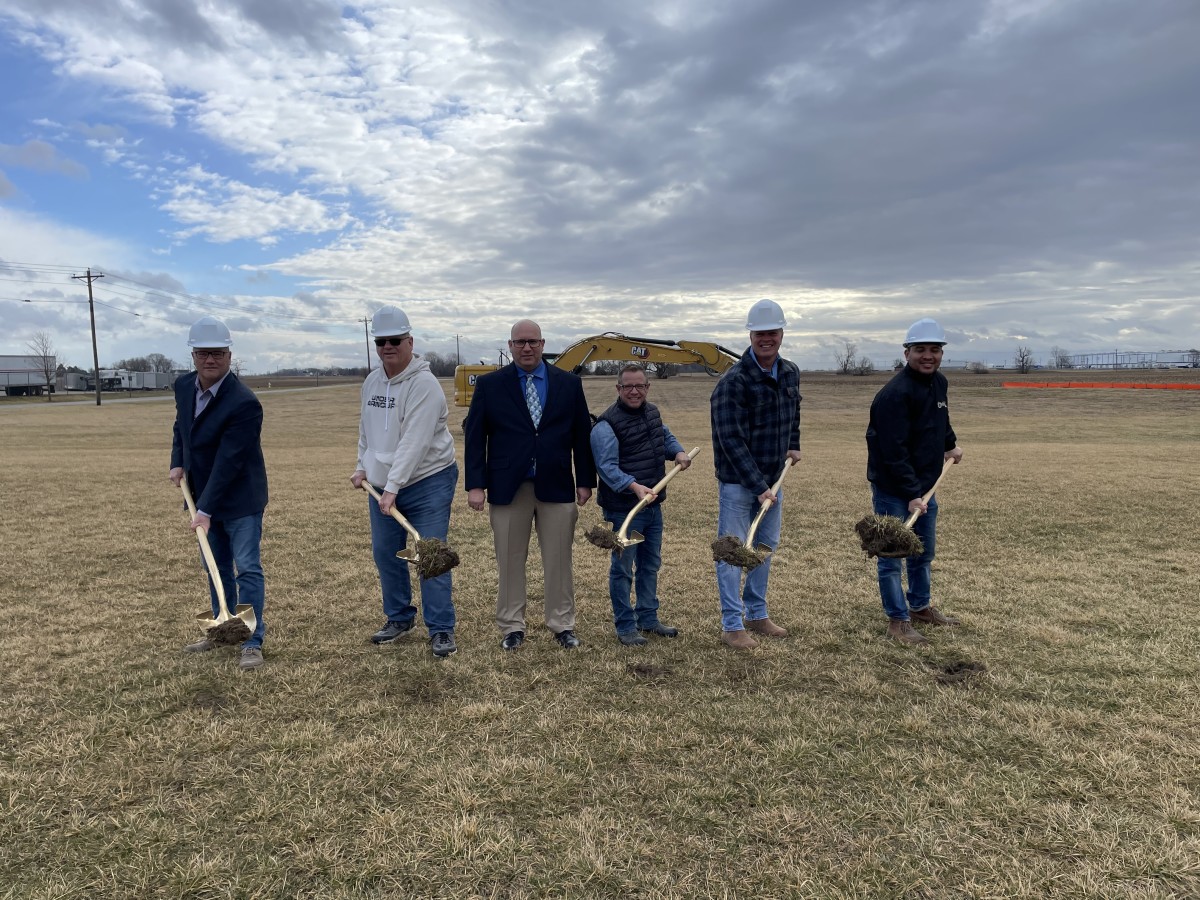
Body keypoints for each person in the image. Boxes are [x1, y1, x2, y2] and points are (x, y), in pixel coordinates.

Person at [464, 319, 596, 651]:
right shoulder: (490, 385)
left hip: (557, 484)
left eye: (533, 342)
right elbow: (476, 437)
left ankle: (562, 624)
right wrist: (475, 485)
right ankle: (512, 626)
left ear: (543, 344)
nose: (526, 347)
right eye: (520, 342)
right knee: (509, 559)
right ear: (510, 346)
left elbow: (581, 436)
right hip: (508, 487)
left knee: (559, 560)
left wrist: (585, 481)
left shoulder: (568, 383)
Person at [351, 305, 460, 658]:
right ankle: (399, 618)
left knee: (430, 553)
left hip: (428, 480)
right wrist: (362, 467)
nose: (387, 347)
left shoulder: (424, 385)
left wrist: (393, 487)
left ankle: (441, 629)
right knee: (386, 553)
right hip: (383, 484)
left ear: (410, 341)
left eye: (395, 340)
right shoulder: (371, 381)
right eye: (381, 341)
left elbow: (415, 442)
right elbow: (366, 430)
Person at [169, 315, 268, 670]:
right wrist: (177, 461)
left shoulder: (244, 402)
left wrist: (206, 510)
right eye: (203, 353)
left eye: (218, 353)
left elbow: (230, 462)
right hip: (202, 497)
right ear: (193, 355)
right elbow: (181, 426)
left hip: (239, 498)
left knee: (247, 569)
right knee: (216, 567)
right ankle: (221, 629)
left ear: (229, 355)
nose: (211, 360)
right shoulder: (183, 386)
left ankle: (252, 641)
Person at [710, 299, 802, 650]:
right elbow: (730, 440)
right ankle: (732, 625)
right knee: (733, 551)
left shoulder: (790, 372)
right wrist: (759, 487)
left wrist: (793, 444)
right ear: (751, 335)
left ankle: (757, 614)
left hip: (772, 480)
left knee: (765, 547)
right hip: (739, 483)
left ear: (781, 334)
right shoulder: (733, 382)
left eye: (773, 333)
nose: (767, 338)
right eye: (761, 333)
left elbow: (793, 414)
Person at [866, 317, 963, 644]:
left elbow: (939, 419)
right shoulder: (895, 395)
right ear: (906, 352)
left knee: (923, 552)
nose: (928, 355)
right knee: (893, 557)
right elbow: (892, 451)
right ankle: (898, 621)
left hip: (925, 486)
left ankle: (920, 606)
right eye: (920, 349)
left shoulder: (939, 383)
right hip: (894, 489)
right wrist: (910, 494)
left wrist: (950, 445)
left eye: (934, 349)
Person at [591, 364, 692, 646]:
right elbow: (607, 468)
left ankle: (648, 617)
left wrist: (679, 452)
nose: (634, 391)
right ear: (618, 389)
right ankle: (625, 627)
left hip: (652, 506)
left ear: (647, 387)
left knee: (650, 565)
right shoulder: (606, 425)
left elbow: (665, 436)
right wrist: (634, 487)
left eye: (640, 386)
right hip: (625, 510)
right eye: (628, 387)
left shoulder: (652, 412)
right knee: (623, 569)